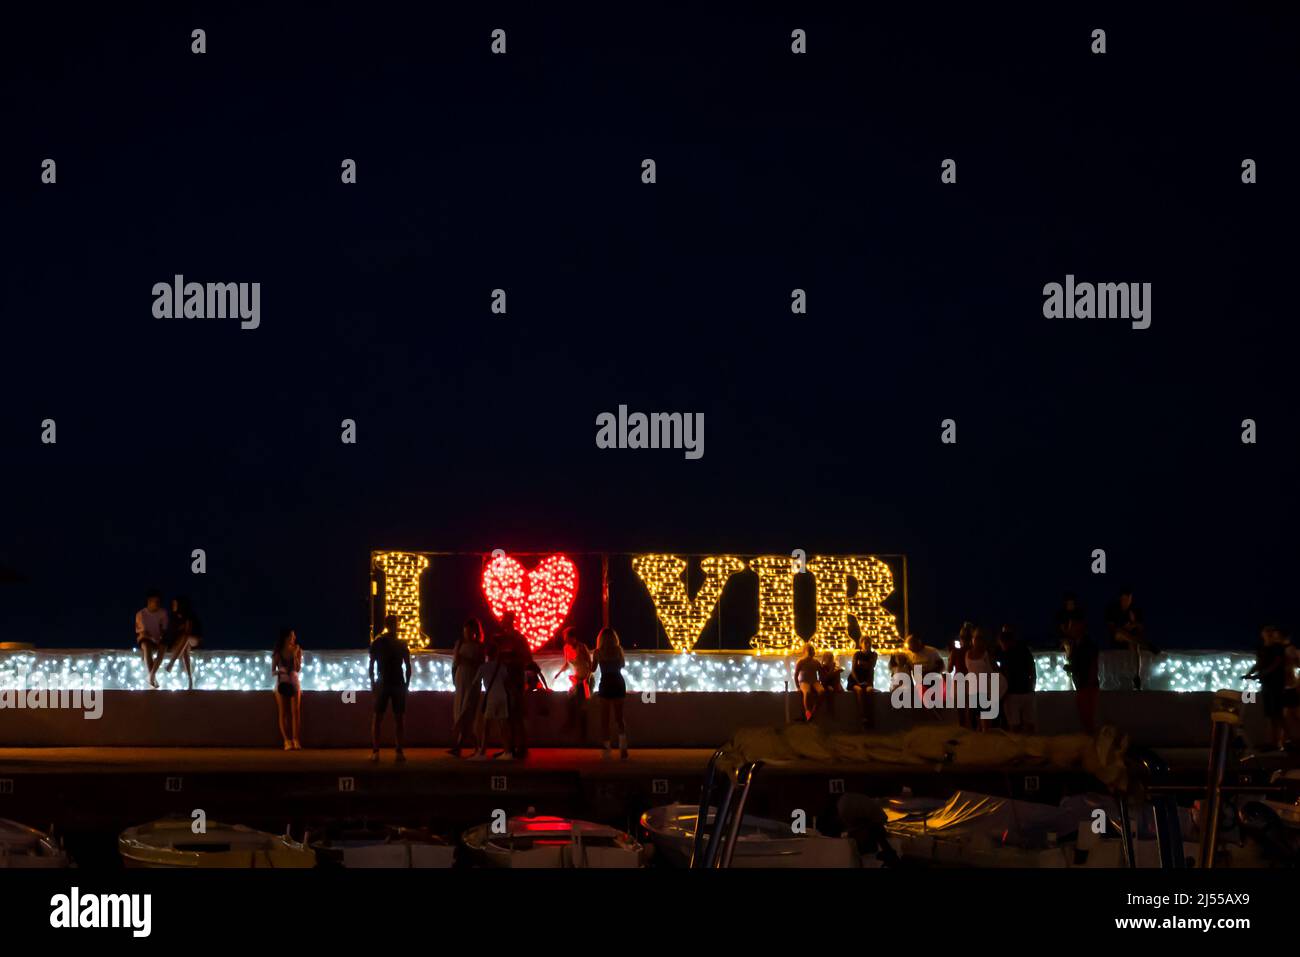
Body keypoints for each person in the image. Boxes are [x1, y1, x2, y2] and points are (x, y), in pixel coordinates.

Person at [492, 612, 537, 758]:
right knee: (509, 714)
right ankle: (510, 747)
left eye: (504, 620)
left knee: (515, 713)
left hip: (514, 679)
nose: (502, 622)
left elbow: (526, 658)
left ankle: (519, 747)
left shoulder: (517, 638)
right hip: (506, 680)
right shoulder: (504, 639)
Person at [369, 614, 411, 762]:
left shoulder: (380, 643)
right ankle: (384, 750)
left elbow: (372, 664)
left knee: (388, 717)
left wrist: (373, 682)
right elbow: (407, 665)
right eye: (394, 623)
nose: (395, 626)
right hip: (391, 682)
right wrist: (406, 683)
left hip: (389, 682)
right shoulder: (397, 643)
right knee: (387, 717)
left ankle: (384, 750)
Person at [1244, 626, 1290, 751]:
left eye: (1271, 632)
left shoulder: (1278, 648)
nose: (1269, 635)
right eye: (1267, 632)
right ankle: (1273, 742)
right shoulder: (1262, 648)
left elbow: (1276, 664)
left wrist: (1260, 674)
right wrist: (1249, 673)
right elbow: (1259, 663)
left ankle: (1288, 740)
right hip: (1267, 683)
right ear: (1263, 634)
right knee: (1270, 713)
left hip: (1277, 683)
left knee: (1277, 713)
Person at [1106, 586, 1155, 690]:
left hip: (1131, 639)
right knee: (1121, 632)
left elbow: (1141, 628)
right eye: (1124, 599)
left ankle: (1137, 677)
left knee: (1134, 645)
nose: (1127, 601)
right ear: (1120, 598)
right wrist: (1124, 628)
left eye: (1129, 599)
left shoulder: (1135, 610)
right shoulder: (1113, 609)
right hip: (1117, 638)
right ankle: (1146, 645)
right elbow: (1111, 628)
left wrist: (1133, 623)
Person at [449, 618, 485, 757]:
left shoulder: (479, 647)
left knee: (467, 712)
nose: (467, 634)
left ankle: (464, 745)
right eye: (465, 631)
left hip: (472, 681)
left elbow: (480, 664)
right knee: (460, 711)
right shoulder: (460, 645)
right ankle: (465, 746)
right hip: (461, 680)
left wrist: (465, 660)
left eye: (470, 631)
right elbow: (455, 663)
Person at [473, 640, 512, 759]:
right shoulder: (502, 667)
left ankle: (482, 752)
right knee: (503, 725)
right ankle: (507, 752)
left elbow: (475, 682)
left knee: (486, 726)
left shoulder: (483, 667)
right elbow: (506, 681)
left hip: (491, 698)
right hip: (502, 696)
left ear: (486, 654)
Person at [593, 627, 628, 759]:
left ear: (600, 639)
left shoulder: (598, 652)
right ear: (615, 638)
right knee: (619, 718)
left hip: (606, 683)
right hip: (618, 683)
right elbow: (622, 665)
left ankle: (607, 750)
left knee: (605, 720)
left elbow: (593, 668)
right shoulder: (619, 650)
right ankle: (623, 748)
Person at [996, 624, 1037, 733]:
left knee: (1014, 726)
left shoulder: (1004, 654)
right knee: (1029, 725)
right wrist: (1032, 687)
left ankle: (1018, 747)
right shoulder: (1024, 650)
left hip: (1012, 694)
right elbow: (1032, 670)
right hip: (1026, 692)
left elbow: (1001, 674)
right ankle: (1029, 746)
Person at [552, 627, 594, 734]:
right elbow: (567, 664)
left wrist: (586, 679)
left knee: (580, 702)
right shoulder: (566, 648)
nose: (565, 639)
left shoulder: (582, 647)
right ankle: (575, 725)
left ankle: (579, 728)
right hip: (577, 679)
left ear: (573, 637)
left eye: (566, 637)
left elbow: (590, 665)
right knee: (571, 698)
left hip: (585, 679)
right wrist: (558, 673)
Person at [1062, 617, 1099, 734]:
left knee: (1087, 718)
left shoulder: (1085, 645)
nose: (1069, 630)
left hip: (1087, 686)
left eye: (1072, 627)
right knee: (1086, 718)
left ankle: (1092, 744)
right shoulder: (1080, 644)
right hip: (1085, 685)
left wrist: (1070, 667)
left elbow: (1083, 664)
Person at [962, 627, 1000, 731]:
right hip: (973, 689)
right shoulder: (967, 654)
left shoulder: (987, 654)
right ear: (972, 639)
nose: (978, 641)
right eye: (976, 638)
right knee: (975, 717)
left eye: (980, 638)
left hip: (985, 689)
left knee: (985, 717)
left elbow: (994, 672)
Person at [272, 627, 303, 751]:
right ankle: (286, 740)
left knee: (295, 712)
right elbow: (272, 671)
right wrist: (281, 671)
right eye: (292, 635)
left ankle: (296, 739)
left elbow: (298, 668)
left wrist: (295, 655)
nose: (294, 638)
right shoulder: (278, 652)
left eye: (294, 636)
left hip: (294, 682)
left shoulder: (297, 649)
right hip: (282, 682)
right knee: (283, 712)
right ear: (286, 638)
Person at [162, 595, 201, 690]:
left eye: (175, 604)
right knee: (185, 649)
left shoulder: (189, 616)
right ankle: (190, 679)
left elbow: (188, 632)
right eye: (173, 604)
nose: (173, 606)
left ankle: (171, 663)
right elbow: (171, 634)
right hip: (183, 642)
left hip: (194, 639)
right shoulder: (174, 617)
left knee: (186, 637)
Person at [134, 589, 169, 689]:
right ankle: (153, 678)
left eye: (159, 602)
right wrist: (155, 640)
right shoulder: (141, 614)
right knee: (146, 646)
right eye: (155, 601)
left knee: (164, 646)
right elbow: (144, 632)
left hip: (158, 639)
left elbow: (164, 630)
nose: (158, 604)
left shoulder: (163, 613)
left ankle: (151, 675)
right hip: (145, 638)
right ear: (149, 601)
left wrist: (160, 639)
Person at [845, 635, 879, 728]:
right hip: (855, 679)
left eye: (869, 642)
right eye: (865, 643)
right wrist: (858, 682)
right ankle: (863, 717)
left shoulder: (874, 655)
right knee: (859, 691)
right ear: (861, 644)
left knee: (869, 691)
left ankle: (870, 716)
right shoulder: (857, 654)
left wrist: (869, 682)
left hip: (866, 679)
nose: (868, 644)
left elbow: (871, 668)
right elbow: (853, 670)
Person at [794, 642, 823, 722]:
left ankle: (814, 711)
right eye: (809, 651)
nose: (811, 652)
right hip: (804, 681)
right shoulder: (801, 662)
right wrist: (797, 686)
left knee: (822, 691)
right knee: (807, 693)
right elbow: (796, 674)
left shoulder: (816, 662)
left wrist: (820, 682)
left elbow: (821, 673)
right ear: (805, 652)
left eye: (812, 650)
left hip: (814, 681)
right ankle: (807, 712)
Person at [818, 651, 842, 716]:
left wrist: (837, 672)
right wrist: (832, 669)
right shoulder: (822, 667)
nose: (830, 659)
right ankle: (830, 711)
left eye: (831, 658)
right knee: (830, 691)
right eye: (829, 658)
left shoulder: (833, 666)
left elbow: (834, 678)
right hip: (825, 684)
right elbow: (825, 679)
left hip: (832, 684)